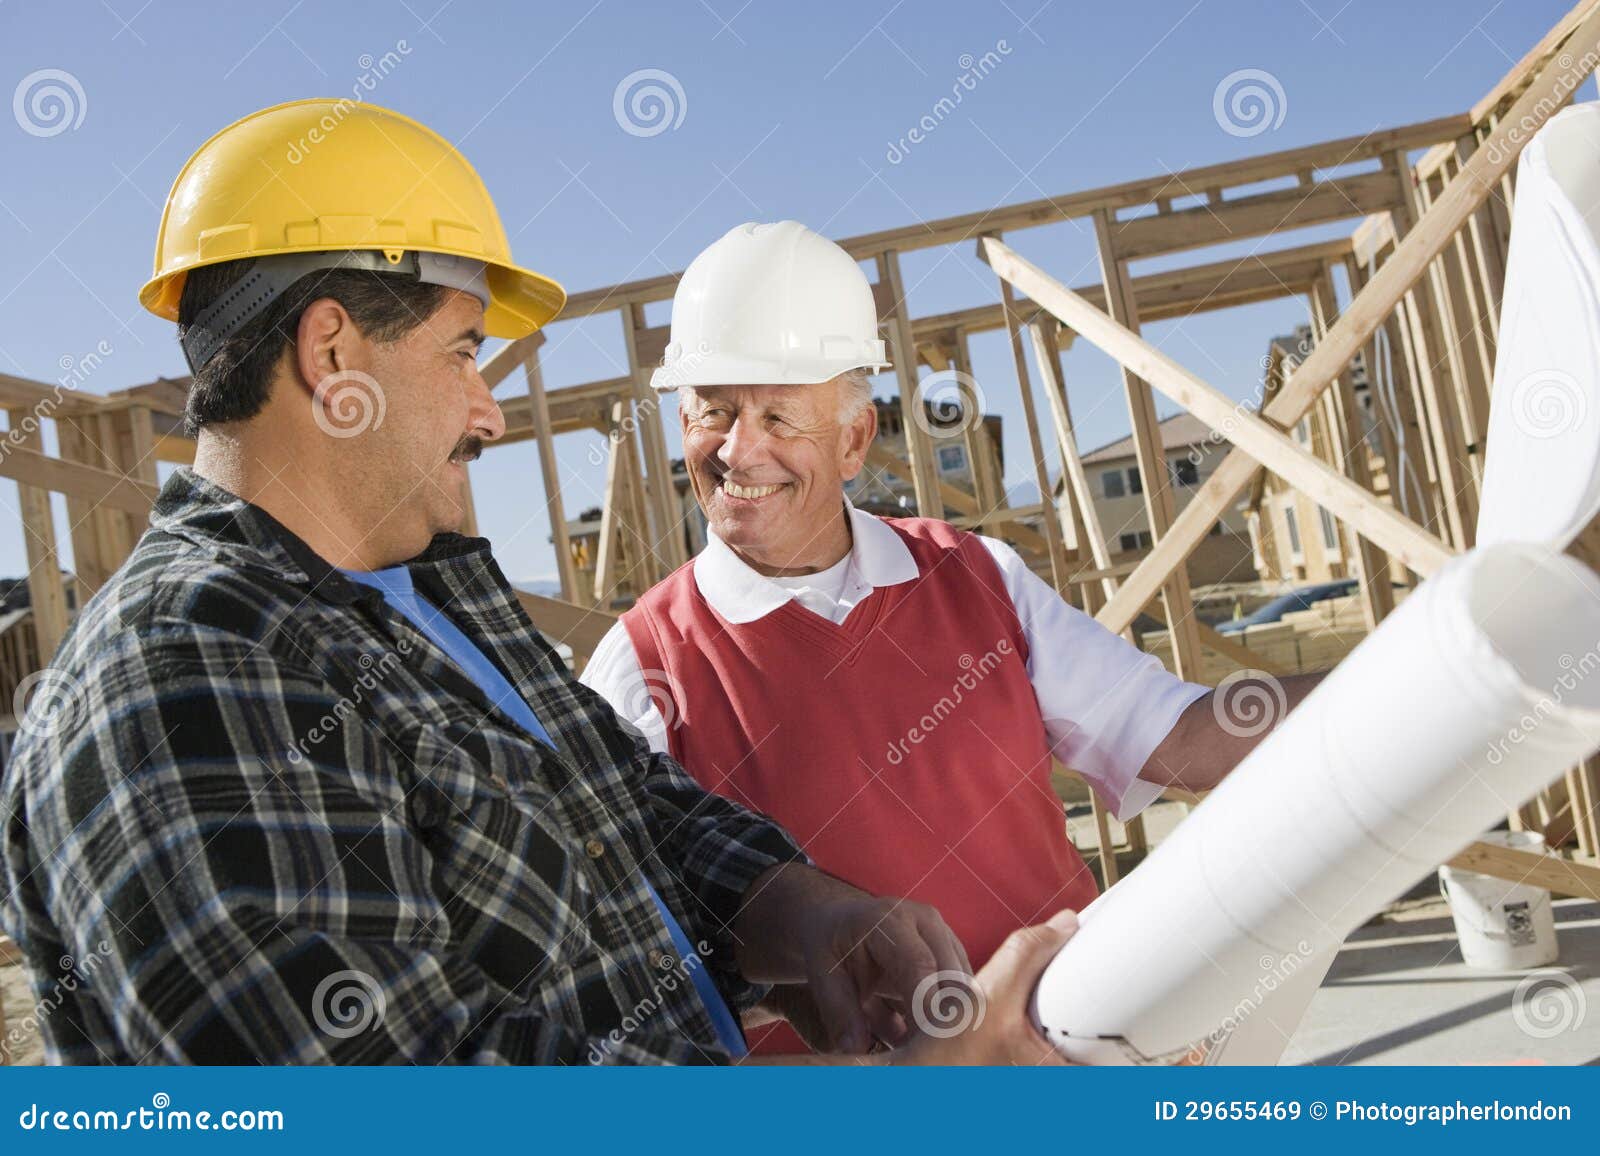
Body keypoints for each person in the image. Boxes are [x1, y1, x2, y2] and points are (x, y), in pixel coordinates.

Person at [0, 107, 1070, 1066]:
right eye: (463, 352)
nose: (490, 409)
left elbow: (627, 810)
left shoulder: (427, 599)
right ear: (331, 354)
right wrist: (904, 1099)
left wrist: (804, 911)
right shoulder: (178, 676)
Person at [581, 221, 1323, 1052]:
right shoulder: (643, 665)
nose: (739, 449)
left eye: (779, 417)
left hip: (1065, 1062)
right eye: (712, 411)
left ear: (855, 438)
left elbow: (1178, 737)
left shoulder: (976, 577)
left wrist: (1395, 676)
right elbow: (631, 951)